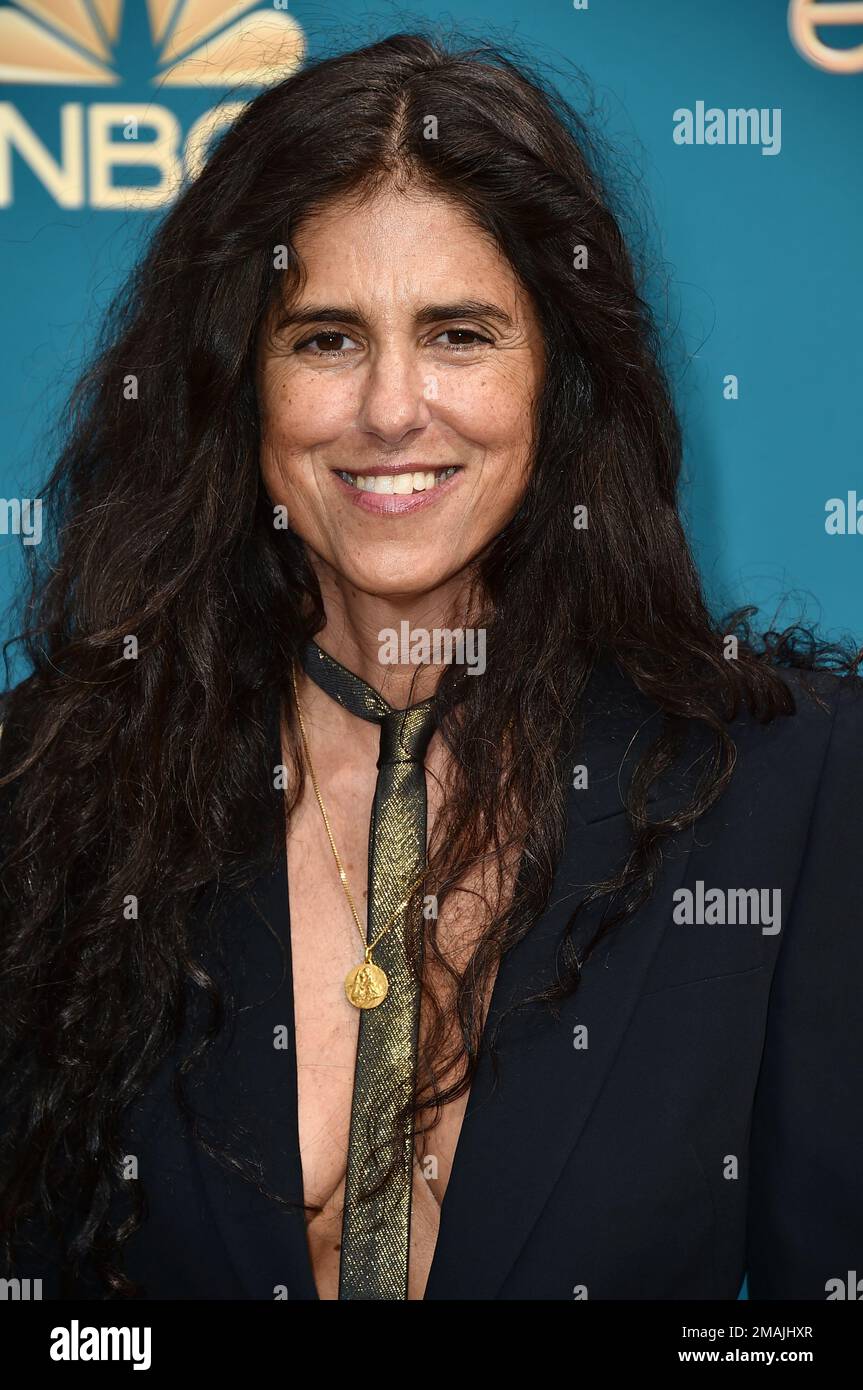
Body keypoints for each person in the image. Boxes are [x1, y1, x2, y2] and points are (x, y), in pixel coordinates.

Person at [1, 33, 861, 1303]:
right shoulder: (54, 781)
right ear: (238, 385)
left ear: (559, 376)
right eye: (325, 339)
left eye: (458, 333)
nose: (393, 408)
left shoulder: (781, 789)